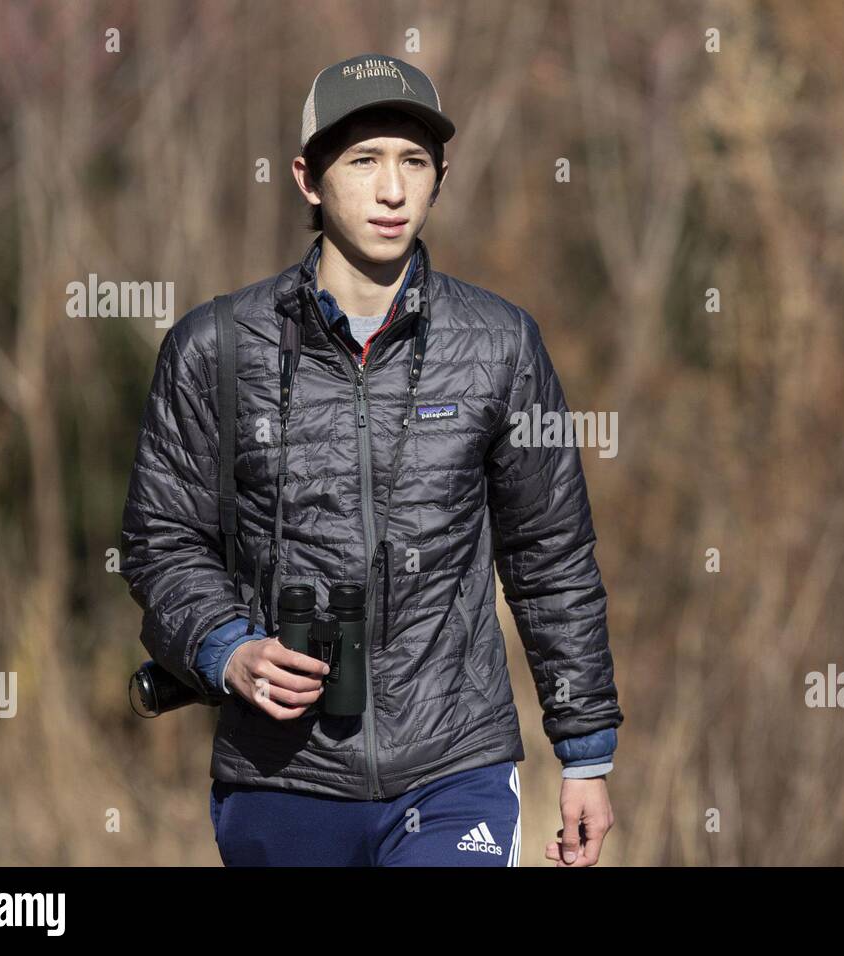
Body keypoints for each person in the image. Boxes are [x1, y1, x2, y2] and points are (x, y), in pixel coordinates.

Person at [119, 53, 623, 866]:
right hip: (279, 778)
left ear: (441, 177)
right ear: (308, 179)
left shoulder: (502, 345)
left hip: (454, 767)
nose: (393, 190)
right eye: (364, 160)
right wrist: (227, 647)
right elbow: (161, 542)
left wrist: (585, 752)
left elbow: (550, 555)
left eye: (414, 162)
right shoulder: (214, 347)